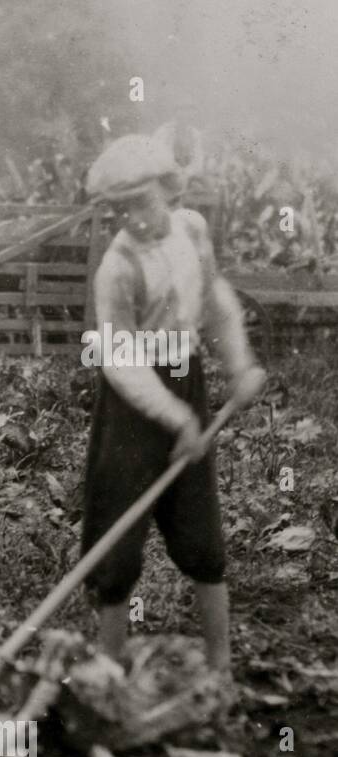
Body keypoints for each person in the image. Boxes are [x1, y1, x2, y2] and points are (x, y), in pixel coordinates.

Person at [83, 134, 266, 671]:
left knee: (201, 530)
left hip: (186, 380)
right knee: (116, 536)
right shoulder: (116, 269)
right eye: (120, 210)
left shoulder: (192, 230)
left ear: (167, 189)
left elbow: (214, 299)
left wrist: (239, 364)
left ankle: (220, 663)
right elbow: (118, 360)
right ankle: (110, 671)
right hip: (132, 402)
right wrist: (174, 417)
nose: (134, 219)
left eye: (142, 202)